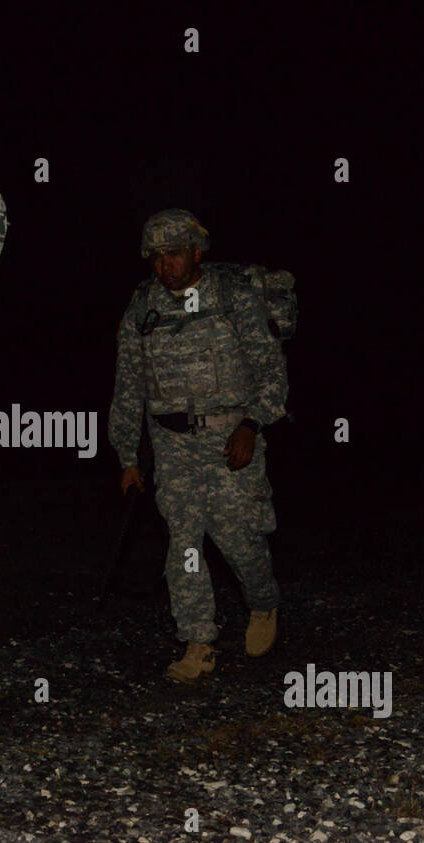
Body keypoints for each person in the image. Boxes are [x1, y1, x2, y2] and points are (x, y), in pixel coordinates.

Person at [108, 209, 288, 683]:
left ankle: (264, 602)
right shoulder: (142, 308)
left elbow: (271, 370)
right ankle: (198, 641)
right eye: (155, 256)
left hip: (232, 437)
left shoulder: (233, 298)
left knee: (238, 539)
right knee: (183, 542)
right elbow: (129, 385)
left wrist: (252, 424)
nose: (164, 265)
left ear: (195, 252)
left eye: (172, 254)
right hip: (171, 445)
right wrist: (127, 455)